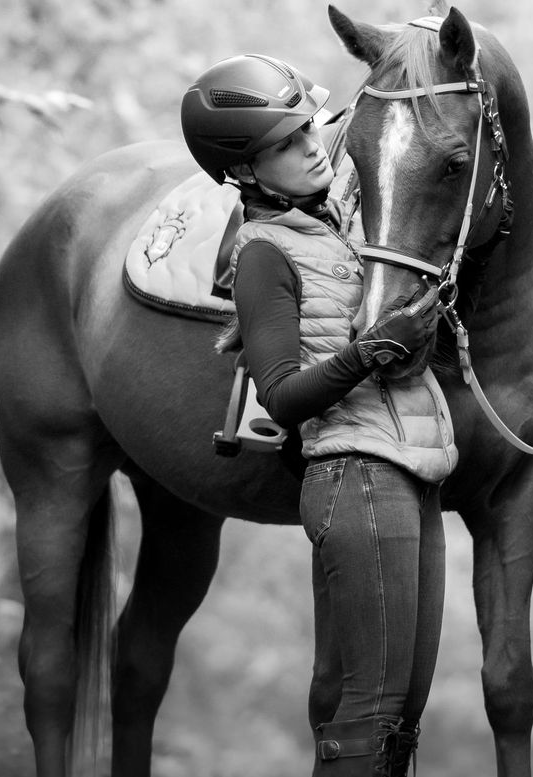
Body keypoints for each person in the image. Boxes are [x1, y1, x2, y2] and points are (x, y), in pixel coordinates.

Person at [181, 54, 457, 776]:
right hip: (355, 476)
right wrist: (370, 352)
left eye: (309, 129)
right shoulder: (264, 253)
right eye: (286, 144)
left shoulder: (341, 228)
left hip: (414, 469)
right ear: (245, 173)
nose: (313, 148)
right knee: (368, 712)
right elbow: (280, 394)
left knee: (400, 723)